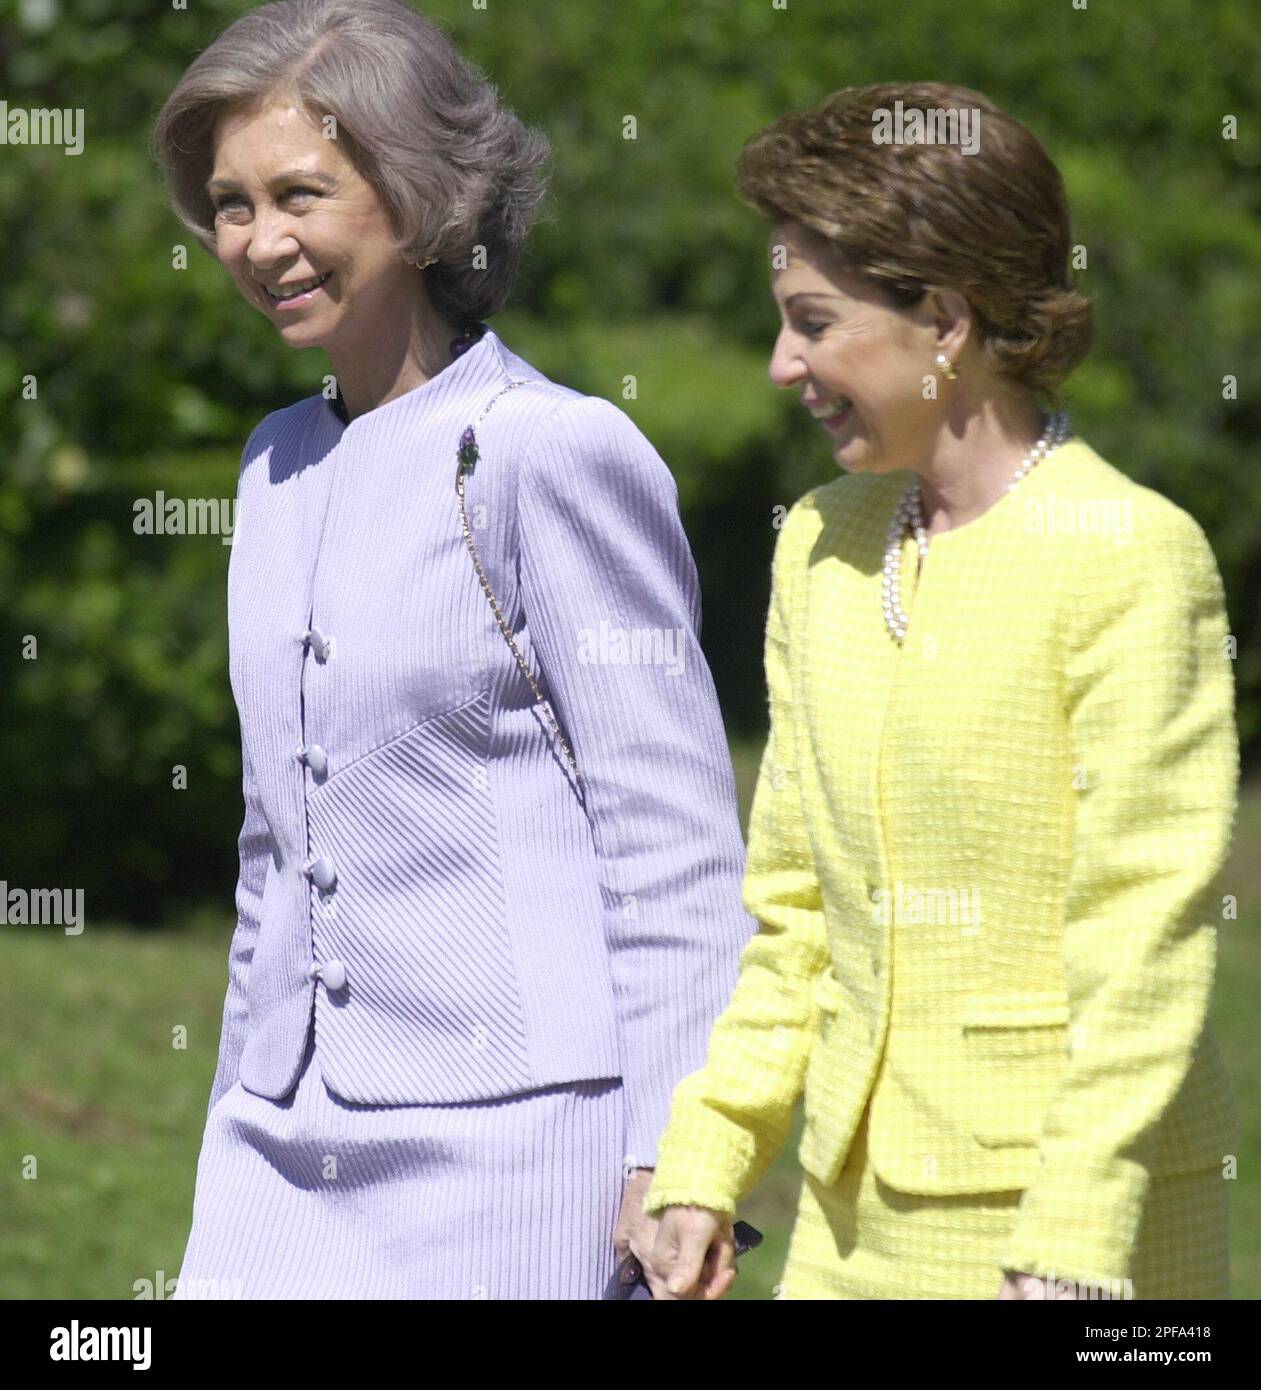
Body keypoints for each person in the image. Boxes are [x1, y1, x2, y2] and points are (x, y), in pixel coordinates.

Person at [152, 0, 754, 1300]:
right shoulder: (272, 464)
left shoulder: (552, 452)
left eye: (298, 194)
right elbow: (274, 846)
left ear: (421, 195)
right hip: (276, 1138)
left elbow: (672, 841)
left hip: (517, 1148)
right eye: (231, 205)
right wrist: (236, 1107)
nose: (260, 243)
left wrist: (675, 1155)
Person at [642, 81, 1240, 1301]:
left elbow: (1144, 927)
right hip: (845, 1219)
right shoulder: (820, 539)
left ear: (946, 319)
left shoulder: (1129, 552)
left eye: (812, 322)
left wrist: (1071, 1242)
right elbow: (795, 907)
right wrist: (706, 1159)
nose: (780, 364)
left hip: (1075, 1224)